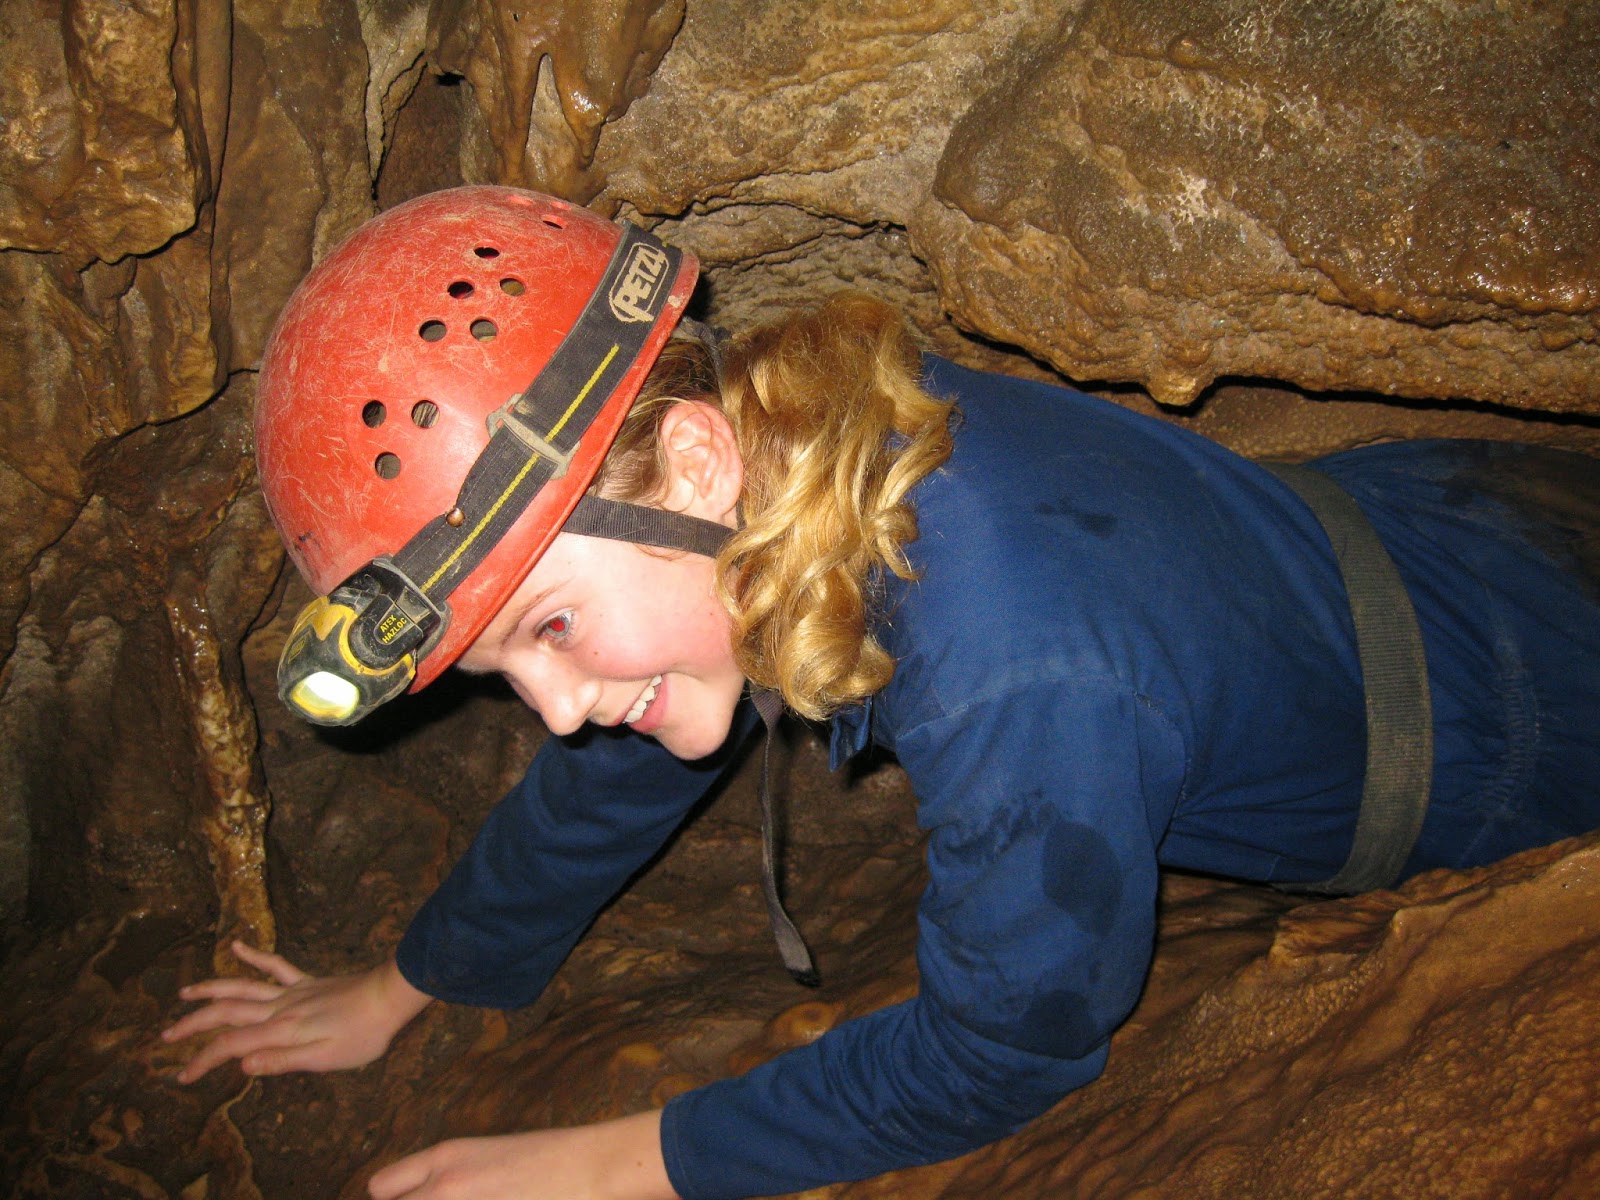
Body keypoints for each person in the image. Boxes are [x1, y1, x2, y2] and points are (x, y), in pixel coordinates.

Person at [162, 185, 1600, 1200]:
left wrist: (615, 1163)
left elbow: (1004, 1053)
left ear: (697, 467)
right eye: (505, 670)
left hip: (1527, 722)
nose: (550, 705)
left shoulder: (1015, 674)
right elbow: (621, 745)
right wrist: (410, 984)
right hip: (1451, 524)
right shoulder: (810, 432)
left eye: (545, 628)